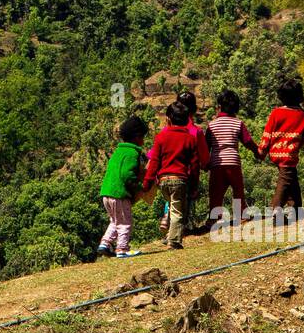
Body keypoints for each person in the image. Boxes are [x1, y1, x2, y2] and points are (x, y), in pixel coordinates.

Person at [143, 92, 210, 248]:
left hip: (163, 179)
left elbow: (154, 160)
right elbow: (196, 163)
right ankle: (173, 239)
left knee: (172, 202)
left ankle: (168, 220)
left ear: (168, 118)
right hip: (181, 177)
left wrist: (147, 182)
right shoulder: (193, 135)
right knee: (179, 208)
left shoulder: (162, 135)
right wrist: (195, 185)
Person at [259, 79, 304, 223]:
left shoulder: (276, 113)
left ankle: (296, 209)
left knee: (291, 179)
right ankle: (275, 211)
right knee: (285, 181)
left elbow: (267, 133)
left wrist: (262, 151)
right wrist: (295, 148)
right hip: (290, 153)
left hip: (275, 152)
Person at [97, 114, 149, 259]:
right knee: (125, 223)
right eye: (143, 137)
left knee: (115, 221)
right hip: (120, 195)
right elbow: (127, 175)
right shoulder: (132, 153)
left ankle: (105, 244)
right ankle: (122, 249)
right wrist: (140, 186)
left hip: (107, 193)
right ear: (137, 137)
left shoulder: (118, 152)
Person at [205, 89, 260, 225]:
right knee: (238, 190)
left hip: (217, 164)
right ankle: (241, 214)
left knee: (215, 193)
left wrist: (205, 164)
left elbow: (206, 147)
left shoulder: (211, 125)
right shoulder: (237, 123)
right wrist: (257, 152)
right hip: (233, 163)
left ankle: (214, 218)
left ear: (219, 107)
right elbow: (247, 141)